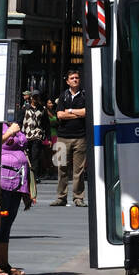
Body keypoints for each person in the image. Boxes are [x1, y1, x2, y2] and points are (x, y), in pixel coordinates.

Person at [0, 120, 33, 275]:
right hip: (3, 180)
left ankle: (4, 263)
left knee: (7, 223)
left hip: (18, 180)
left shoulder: (12, 122)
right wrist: (10, 132)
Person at [52, 68, 88, 207]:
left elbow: (87, 112)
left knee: (78, 170)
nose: (75, 80)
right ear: (67, 81)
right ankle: (61, 197)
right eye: (72, 78)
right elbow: (60, 115)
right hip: (62, 138)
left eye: (76, 78)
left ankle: (78, 197)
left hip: (80, 137)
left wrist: (70, 111)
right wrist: (78, 114)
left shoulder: (85, 95)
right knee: (61, 168)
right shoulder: (63, 96)